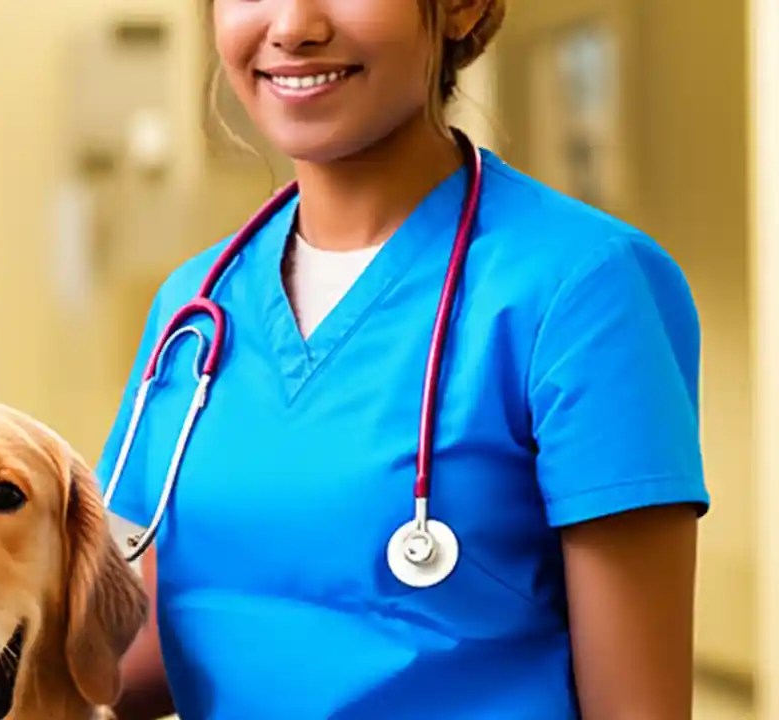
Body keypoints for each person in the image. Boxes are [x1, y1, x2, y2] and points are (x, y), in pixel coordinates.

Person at [97, 0, 709, 717]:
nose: (293, 25)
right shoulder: (193, 306)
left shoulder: (585, 287)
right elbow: (142, 653)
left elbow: (637, 707)